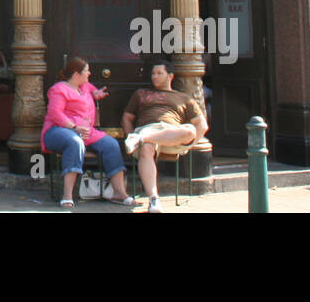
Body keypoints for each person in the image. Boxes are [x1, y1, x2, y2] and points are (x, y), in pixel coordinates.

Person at [42, 55, 131, 209]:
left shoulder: (84, 86)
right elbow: (55, 114)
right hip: (59, 131)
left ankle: (119, 192)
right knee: (75, 142)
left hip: (86, 132)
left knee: (111, 144)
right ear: (76, 74)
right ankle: (67, 195)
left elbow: (92, 90)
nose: (89, 74)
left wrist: (96, 93)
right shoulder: (59, 89)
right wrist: (73, 128)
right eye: (86, 71)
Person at [121, 61, 208, 213]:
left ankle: (141, 139)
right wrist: (131, 134)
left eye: (159, 73)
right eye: (153, 73)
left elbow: (202, 125)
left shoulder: (184, 98)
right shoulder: (141, 94)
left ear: (170, 76)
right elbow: (126, 118)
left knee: (190, 130)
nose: (155, 77)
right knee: (147, 147)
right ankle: (154, 199)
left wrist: (189, 145)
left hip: (171, 134)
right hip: (147, 129)